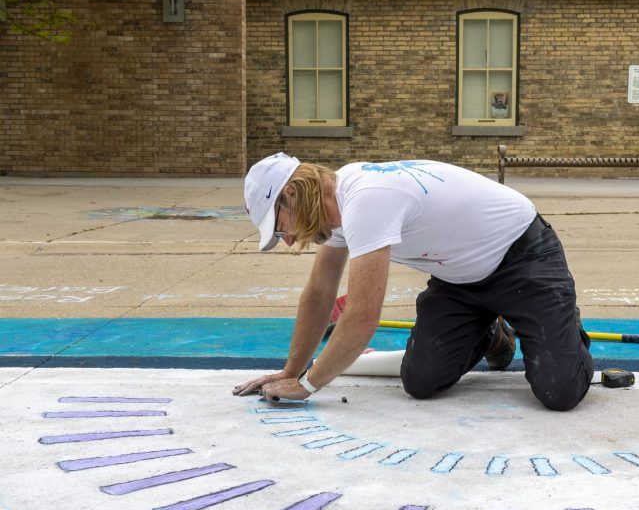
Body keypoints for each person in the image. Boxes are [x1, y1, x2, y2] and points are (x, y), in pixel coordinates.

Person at [232, 153, 594, 412]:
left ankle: (564, 330)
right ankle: (492, 332)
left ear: (291, 194)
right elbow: (320, 293)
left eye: (279, 228)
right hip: (461, 281)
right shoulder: (336, 207)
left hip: (524, 259)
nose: (289, 240)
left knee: (559, 391)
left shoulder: (367, 199)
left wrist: (308, 385)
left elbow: (361, 316)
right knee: (420, 382)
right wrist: (291, 370)